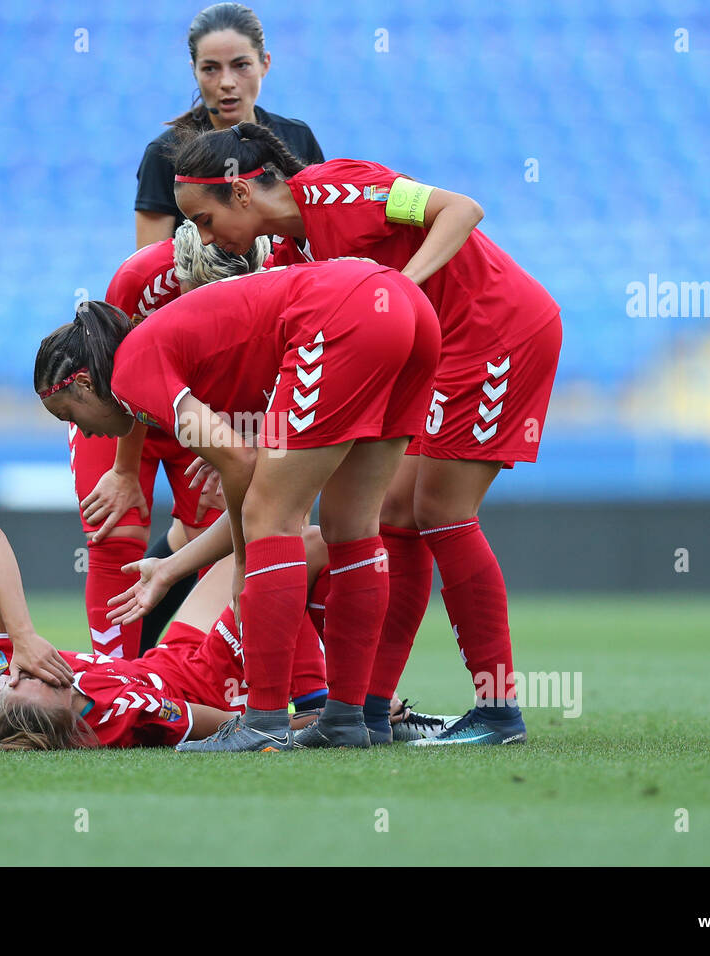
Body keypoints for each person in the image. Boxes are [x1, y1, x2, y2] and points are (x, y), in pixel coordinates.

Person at [170, 123, 563, 746]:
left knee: (439, 509)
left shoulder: (339, 192)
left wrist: (403, 285)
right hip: (435, 350)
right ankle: (367, 713)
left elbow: (461, 210)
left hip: (494, 330)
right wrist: (229, 442)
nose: (206, 238)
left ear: (241, 193)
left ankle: (498, 710)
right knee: (396, 517)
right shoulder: (290, 258)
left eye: (205, 219)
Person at [35, 258, 439, 751]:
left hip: (347, 314)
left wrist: (246, 564)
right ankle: (349, 720)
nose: (86, 431)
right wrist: (173, 566)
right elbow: (241, 449)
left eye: (68, 415)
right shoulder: (164, 347)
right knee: (351, 527)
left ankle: (262, 724)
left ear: (81, 382)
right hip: (408, 309)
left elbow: (240, 465)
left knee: (274, 520)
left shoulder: (130, 372)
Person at [73, 222, 271, 660]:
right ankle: (116, 678)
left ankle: (208, 680)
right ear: (182, 276)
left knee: (217, 531)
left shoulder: (269, 272)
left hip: (197, 409)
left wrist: (237, 446)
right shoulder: (140, 278)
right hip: (125, 408)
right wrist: (124, 470)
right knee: (116, 524)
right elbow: (123, 376)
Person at [0, 523, 330, 750]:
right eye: (50, 684)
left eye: (27, 675)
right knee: (301, 544)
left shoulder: (2, 678)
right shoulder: (120, 722)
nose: (37, 669)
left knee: (258, 528)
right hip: (212, 679)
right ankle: (332, 698)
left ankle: (183, 532)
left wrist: (23, 636)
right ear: (66, 719)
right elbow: (231, 726)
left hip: (172, 652)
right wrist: (325, 717)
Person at [134, 2, 324, 248]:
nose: (226, 82)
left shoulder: (298, 137)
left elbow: (321, 237)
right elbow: (150, 271)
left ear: (264, 64)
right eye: (210, 68)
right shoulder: (164, 154)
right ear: (194, 71)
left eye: (240, 65)